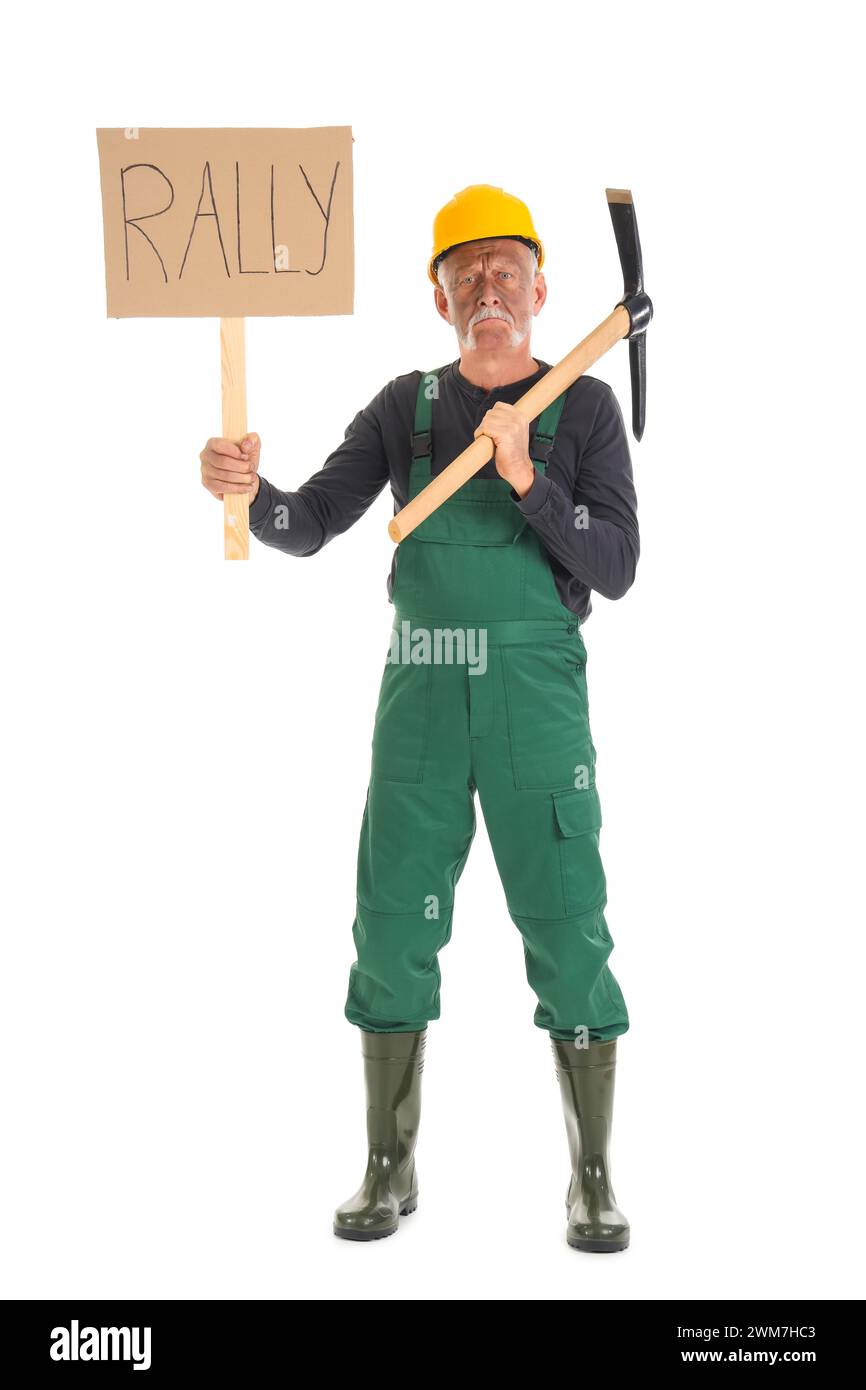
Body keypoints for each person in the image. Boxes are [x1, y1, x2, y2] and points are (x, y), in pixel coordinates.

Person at [199, 184, 639, 1252]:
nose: (486, 290)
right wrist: (248, 495)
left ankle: (590, 1171)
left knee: (566, 919)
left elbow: (617, 566)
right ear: (436, 294)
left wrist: (530, 478)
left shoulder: (581, 408)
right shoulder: (406, 406)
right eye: (464, 274)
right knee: (392, 917)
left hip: (535, 697)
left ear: (542, 287)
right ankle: (388, 1163)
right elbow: (308, 521)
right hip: (424, 691)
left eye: (505, 271)